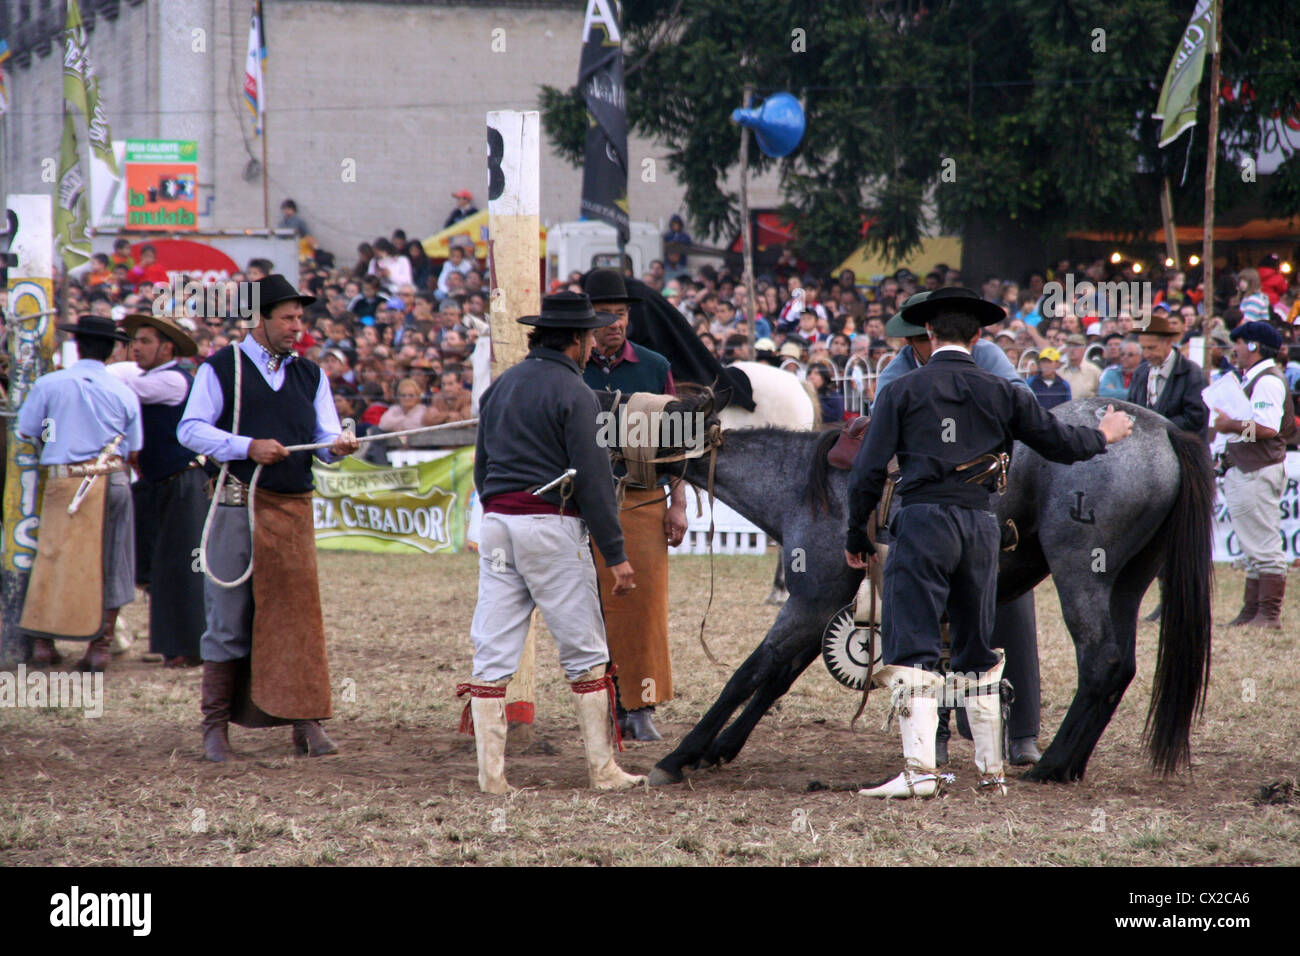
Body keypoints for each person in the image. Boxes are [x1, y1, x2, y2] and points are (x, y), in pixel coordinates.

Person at [846, 288, 1133, 799]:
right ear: (978, 337)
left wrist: (855, 533)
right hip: (981, 525)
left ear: (928, 335)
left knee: (914, 645)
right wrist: (1105, 434)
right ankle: (991, 771)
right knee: (977, 646)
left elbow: (867, 471)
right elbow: (1060, 445)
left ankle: (920, 773)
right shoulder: (1005, 392)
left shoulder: (901, 390)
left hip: (922, 522)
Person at [462, 291, 644, 792]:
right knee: (585, 651)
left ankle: (490, 776)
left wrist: (501, 508)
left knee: (493, 651)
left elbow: (481, 469)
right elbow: (592, 478)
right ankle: (602, 769)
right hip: (549, 525)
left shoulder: (500, 388)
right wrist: (616, 554)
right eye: (588, 337)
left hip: (497, 522)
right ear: (578, 341)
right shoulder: (576, 393)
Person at [178, 274, 359, 763]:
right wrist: (246, 447)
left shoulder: (311, 375)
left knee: (295, 618)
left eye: (300, 318)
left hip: (293, 510)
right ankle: (214, 728)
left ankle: (305, 721)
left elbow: (323, 441)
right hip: (236, 506)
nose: (297, 326)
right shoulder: (221, 369)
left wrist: (338, 446)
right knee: (229, 618)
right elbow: (189, 430)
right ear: (258, 320)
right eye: (288, 317)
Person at [873, 293, 1045, 767]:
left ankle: (1021, 731)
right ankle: (940, 734)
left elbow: (1022, 408)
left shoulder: (985, 356)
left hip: (993, 492)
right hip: (946, 500)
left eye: (917, 338)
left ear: (933, 330)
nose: (915, 349)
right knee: (933, 625)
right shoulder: (901, 365)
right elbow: (879, 414)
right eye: (909, 342)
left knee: (1007, 610)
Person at [581, 269, 688, 741]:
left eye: (621, 315)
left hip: (644, 496)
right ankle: (603, 705)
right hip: (580, 502)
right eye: (605, 316)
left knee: (643, 605)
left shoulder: (654, 364)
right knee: (590, 607)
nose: (615, 324)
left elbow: (680, 443)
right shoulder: (571, 369)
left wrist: (678, 503)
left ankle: (640, 707)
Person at [17, 315, 143, 672]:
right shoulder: (124, 392)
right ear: (111, 350)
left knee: (51, 558)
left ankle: (44, 643)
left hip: (65, 478)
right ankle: (99, 646)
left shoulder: (49, 384)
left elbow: (26, 430)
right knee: (113, 560)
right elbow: (134, 446)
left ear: (78, 345)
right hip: (110, 475)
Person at [122, 312, 206, 668]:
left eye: (145, 342)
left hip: (182, 481)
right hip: (159, 482)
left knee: (181, 567)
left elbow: (124, 389)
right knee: (159, 566)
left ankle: (188, 647)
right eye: (134, 341)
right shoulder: (156, 378)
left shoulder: (173, 380)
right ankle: (172, 644)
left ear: (166, 348)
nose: (135, 348)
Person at [1216, 322, 1294, 630]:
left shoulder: (1267, 381)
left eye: (1238, 343)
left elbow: (1267, 429)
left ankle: (1268, 615)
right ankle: (1252, 612)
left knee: (1263, 545)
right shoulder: (1257, 379)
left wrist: (1231, 425)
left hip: (1257, 469)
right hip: (1249, 468)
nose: (1233, 349)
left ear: (1253, 346)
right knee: (1252, 547)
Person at [1127, 313, 1209, 434]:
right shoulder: (1141, 372)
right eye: (1143, 348)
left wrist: (1155, 426)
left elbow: (1195, 419)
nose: (1146, 354)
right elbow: (1131, 408)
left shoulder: (1192, 373)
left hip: (1182, 450)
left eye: (1152, 348)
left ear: (1168, 342)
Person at [1059, 334, 1100, 399]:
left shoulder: (1094, 371)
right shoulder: (1060, 372)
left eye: (1076, 346)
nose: (1072, 350)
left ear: (1084, 349)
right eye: (1069, 346)